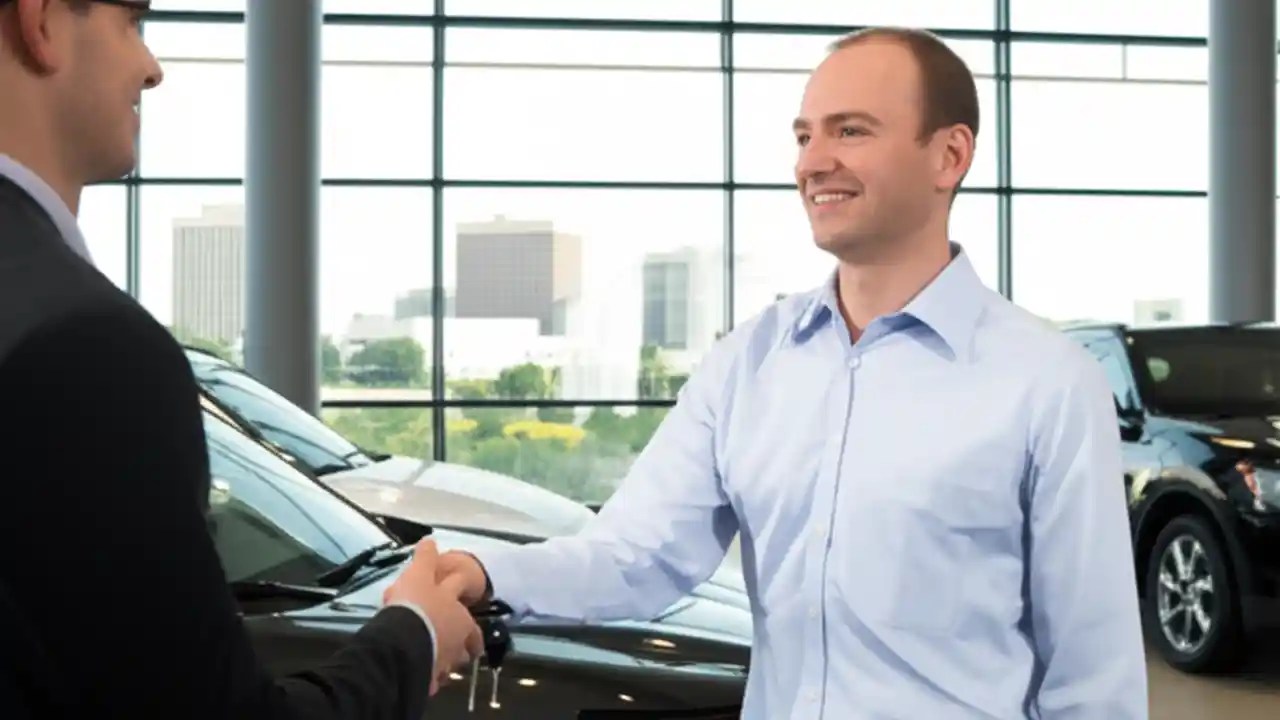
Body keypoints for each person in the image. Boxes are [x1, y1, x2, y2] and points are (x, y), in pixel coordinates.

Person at [437, 26, 1149, 719]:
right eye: (805, 135)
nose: (812, 162)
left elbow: (1094, 676)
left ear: (949, 156)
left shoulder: (1047, 383)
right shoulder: (750, 363)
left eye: (850, 131)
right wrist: (486, 570)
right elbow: (637, 555)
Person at [0, 1, 482, 717]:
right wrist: (413, 636)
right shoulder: (86, 347)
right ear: (39, 21)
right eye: (131, 21)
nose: (151, 68)